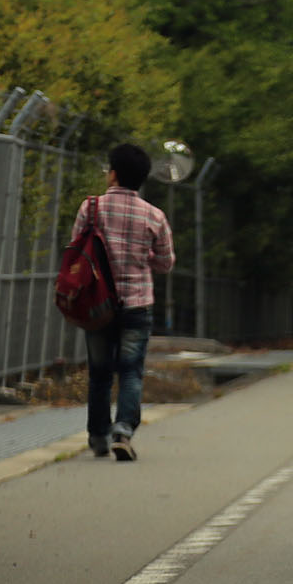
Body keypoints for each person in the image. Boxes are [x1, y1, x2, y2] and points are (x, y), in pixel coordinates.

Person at [76, 142, 175, 461]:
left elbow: (76, 250)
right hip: (137, 304)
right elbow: (165, 262)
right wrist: (141, 254)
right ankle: (124, 430)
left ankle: (98, 436)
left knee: (100, 372)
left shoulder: (90, 208)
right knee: (131, 371)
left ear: (113, 174)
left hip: (97, 304)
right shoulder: (154, 215)